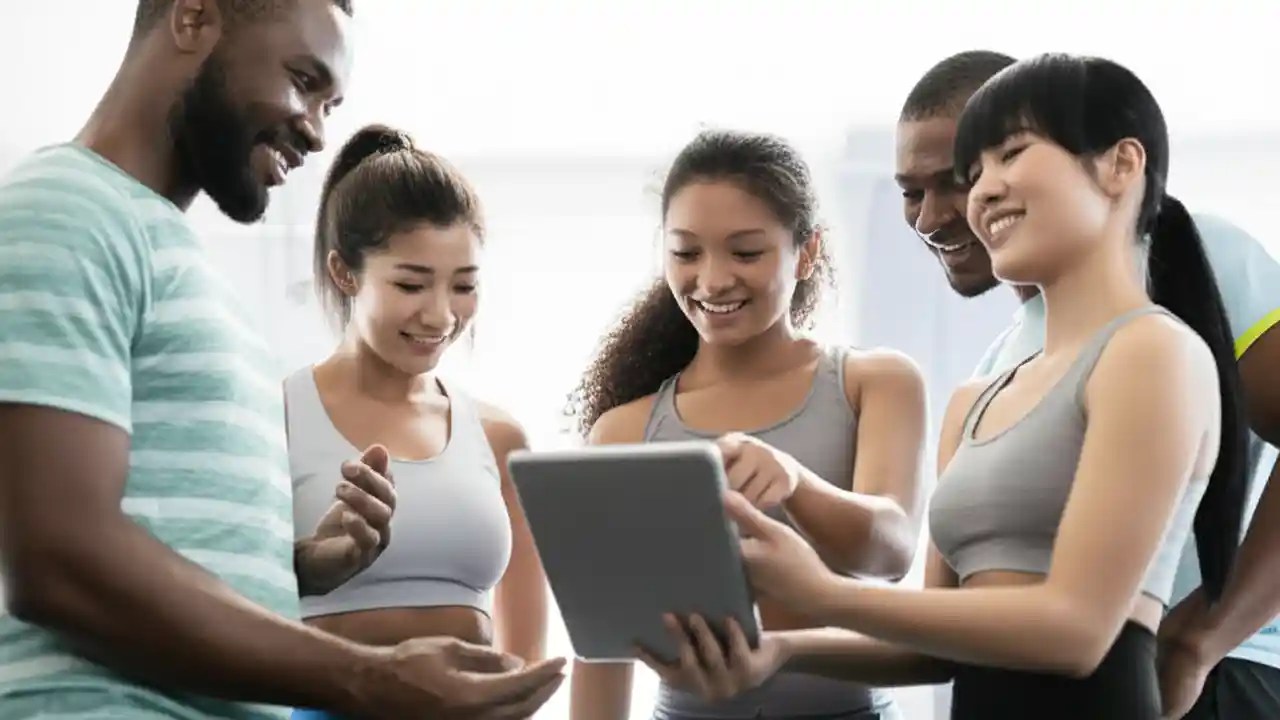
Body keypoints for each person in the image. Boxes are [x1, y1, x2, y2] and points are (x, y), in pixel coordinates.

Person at [640, 53, 1251, 720]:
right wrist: (778, 649)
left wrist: (822, 593)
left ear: (1121, 165)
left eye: (1011, 153)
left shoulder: (1150, 351)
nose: (982, 191)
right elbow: (937, 645)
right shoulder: (977, 396)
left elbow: (1078, 631)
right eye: (976, 171)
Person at [0, 2, 563, 719]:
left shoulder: (187, 270)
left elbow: (165, 549)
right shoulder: (66, 212)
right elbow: (60, 561)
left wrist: (295, 568)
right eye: (303, 80)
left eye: (331, 104)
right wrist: (372, 677)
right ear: (194, 18)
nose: (318, 130)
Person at [895, 51, 1280, 720]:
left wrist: (1203, 637)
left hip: (1213, 683)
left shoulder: (1200, 265)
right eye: (911, 191)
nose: (932, 216)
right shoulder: (998, 369)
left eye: (959, 176)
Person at [569, 128, 928, 720]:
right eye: (686, 253)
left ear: (806, 252)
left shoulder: (875, 383)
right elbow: (606, 644)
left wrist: (797, 482)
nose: (712, 280)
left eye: (746, 252)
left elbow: (890, 552)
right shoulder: (623, 431)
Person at [288, 124, 550, 718]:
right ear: (343, 271)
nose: (441, 315)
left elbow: (527, 654)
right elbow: (217, 602)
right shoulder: (272, 417)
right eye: (411, 283)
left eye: (464, 286)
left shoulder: (501, 438)